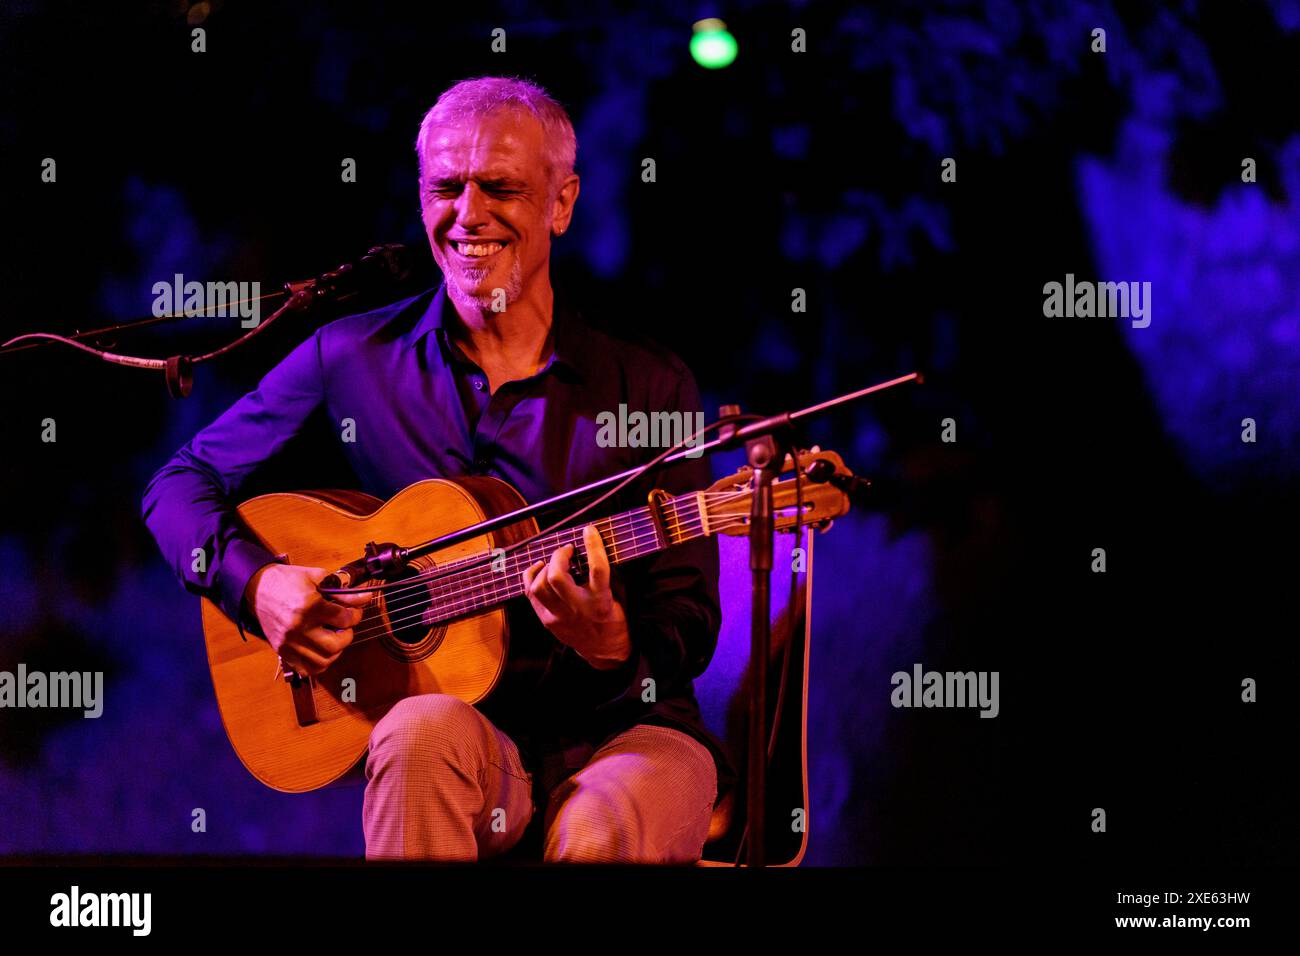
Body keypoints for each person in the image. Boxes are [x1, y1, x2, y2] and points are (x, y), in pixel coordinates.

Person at [142, 76, 736, 863]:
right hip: (468, 738)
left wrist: (613, 641)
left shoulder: (649, 387)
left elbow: (688, 622)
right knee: (416, 734)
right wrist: (257, 584)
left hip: (627, 730)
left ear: (561, 203)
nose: (468, 215)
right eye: (446, 188)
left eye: (501, 188)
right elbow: (176, 486)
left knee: (597, 833)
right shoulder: (351, 357)